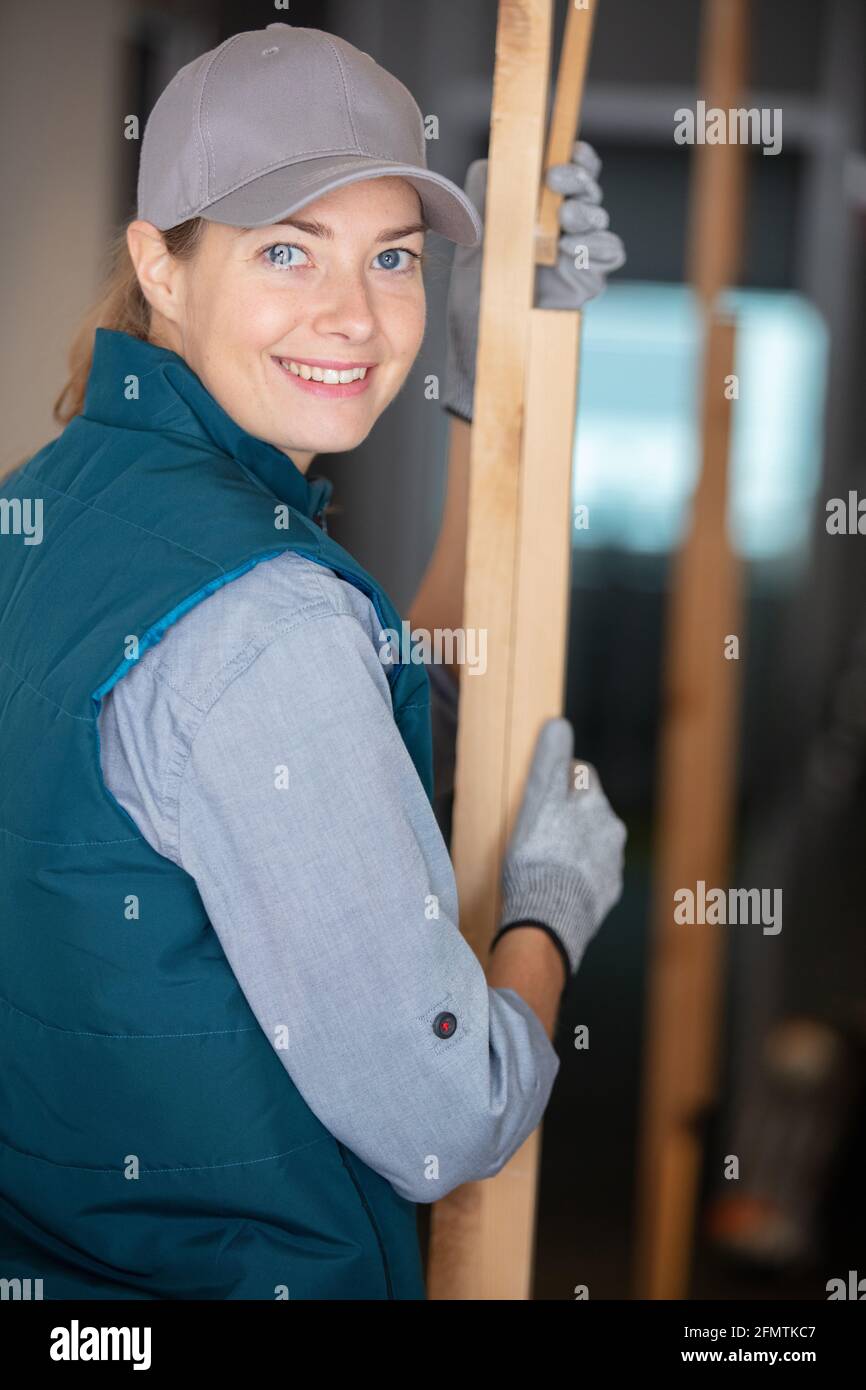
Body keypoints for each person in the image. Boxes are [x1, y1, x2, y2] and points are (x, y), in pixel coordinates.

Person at [0, 22, 626, 1300]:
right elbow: (447, 1112)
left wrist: (482, 377)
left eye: (392, 257)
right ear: (158, 269)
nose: (355, 316)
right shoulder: (267, 621)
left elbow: (332, 724)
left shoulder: (53, 506)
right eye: (287, 250)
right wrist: (545, 916)